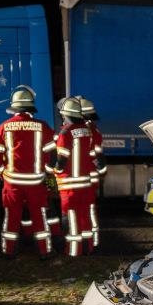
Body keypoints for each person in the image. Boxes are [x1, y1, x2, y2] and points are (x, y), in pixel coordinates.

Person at [0, 85, 57, 259]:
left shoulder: (4, 127)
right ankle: (45, 252)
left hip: (12, 183)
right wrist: (48, 172)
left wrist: (1, 173)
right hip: (35, 182)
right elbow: (53, 154)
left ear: (14, 107)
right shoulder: (42, 126)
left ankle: (9, 252)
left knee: (11, 218)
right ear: (30, 107)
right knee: (40, 217)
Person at [54, 97, 101, 256]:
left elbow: (61, 161)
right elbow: (94, 157)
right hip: (85, 185)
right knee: (85, 218)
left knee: (71, 220)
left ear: (65, 115)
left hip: (70, 187)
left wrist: (54, 171)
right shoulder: (87, 131)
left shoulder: (65, 133)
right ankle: (88, 249)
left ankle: (73, 253)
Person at [77, 96, 107, 248]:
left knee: (83, 212)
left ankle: (88, 242)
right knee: (89, 211)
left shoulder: (82, 131)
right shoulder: (94, 130)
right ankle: (91, 242)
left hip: (83, 178)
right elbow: (99, 158)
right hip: (91, 178)